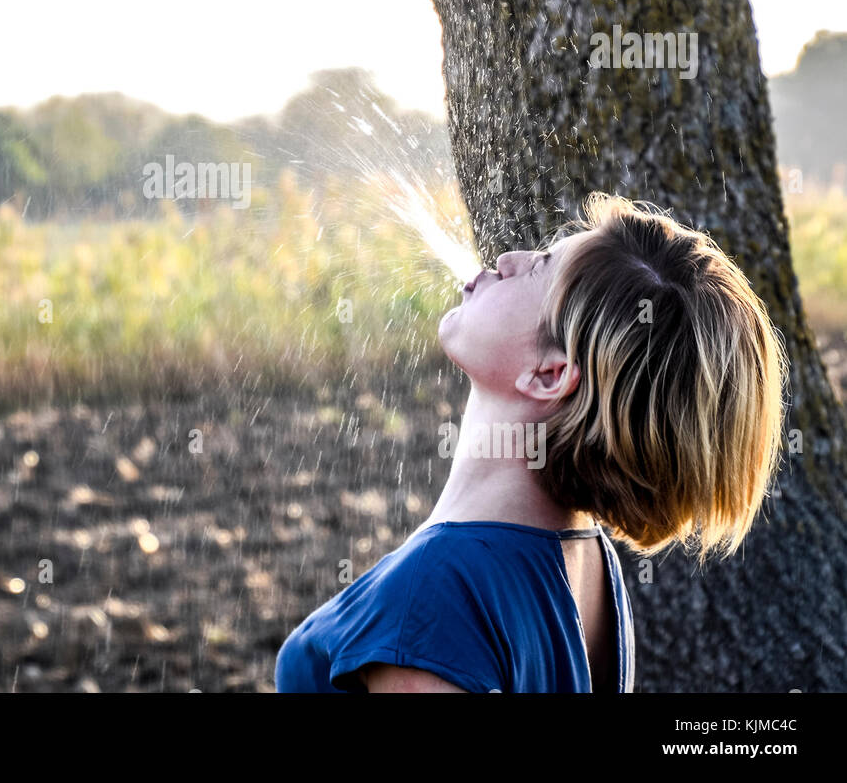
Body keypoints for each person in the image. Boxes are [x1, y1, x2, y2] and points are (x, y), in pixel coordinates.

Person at [274, 192, 787, 692]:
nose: (507, 259)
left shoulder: (434, 592)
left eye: (540, 266)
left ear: (549, 373)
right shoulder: (591, 563)